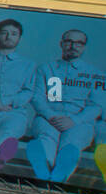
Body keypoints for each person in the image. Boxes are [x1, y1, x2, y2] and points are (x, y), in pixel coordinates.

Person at [29, 29, 106, 182]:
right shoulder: (46, 69)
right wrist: (51, 116)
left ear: (84, 47)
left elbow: (96, 106)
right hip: (48, 117)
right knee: (46, 138)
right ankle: (44, 169)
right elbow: (37, 97)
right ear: (61, 44)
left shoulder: (95, 74)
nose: (73, 46)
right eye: (69, 41)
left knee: (72, 143)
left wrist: (74, 120)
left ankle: (58, 174)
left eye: (79, 43)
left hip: (79, 121)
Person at [0, 18, 36, 167]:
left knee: (6, 136)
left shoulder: (27, 65)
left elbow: (28, 92)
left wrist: (4, 102)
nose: (8, 37)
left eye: (14, 34)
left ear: (19, 38)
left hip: (13, 112)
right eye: (4, 33)